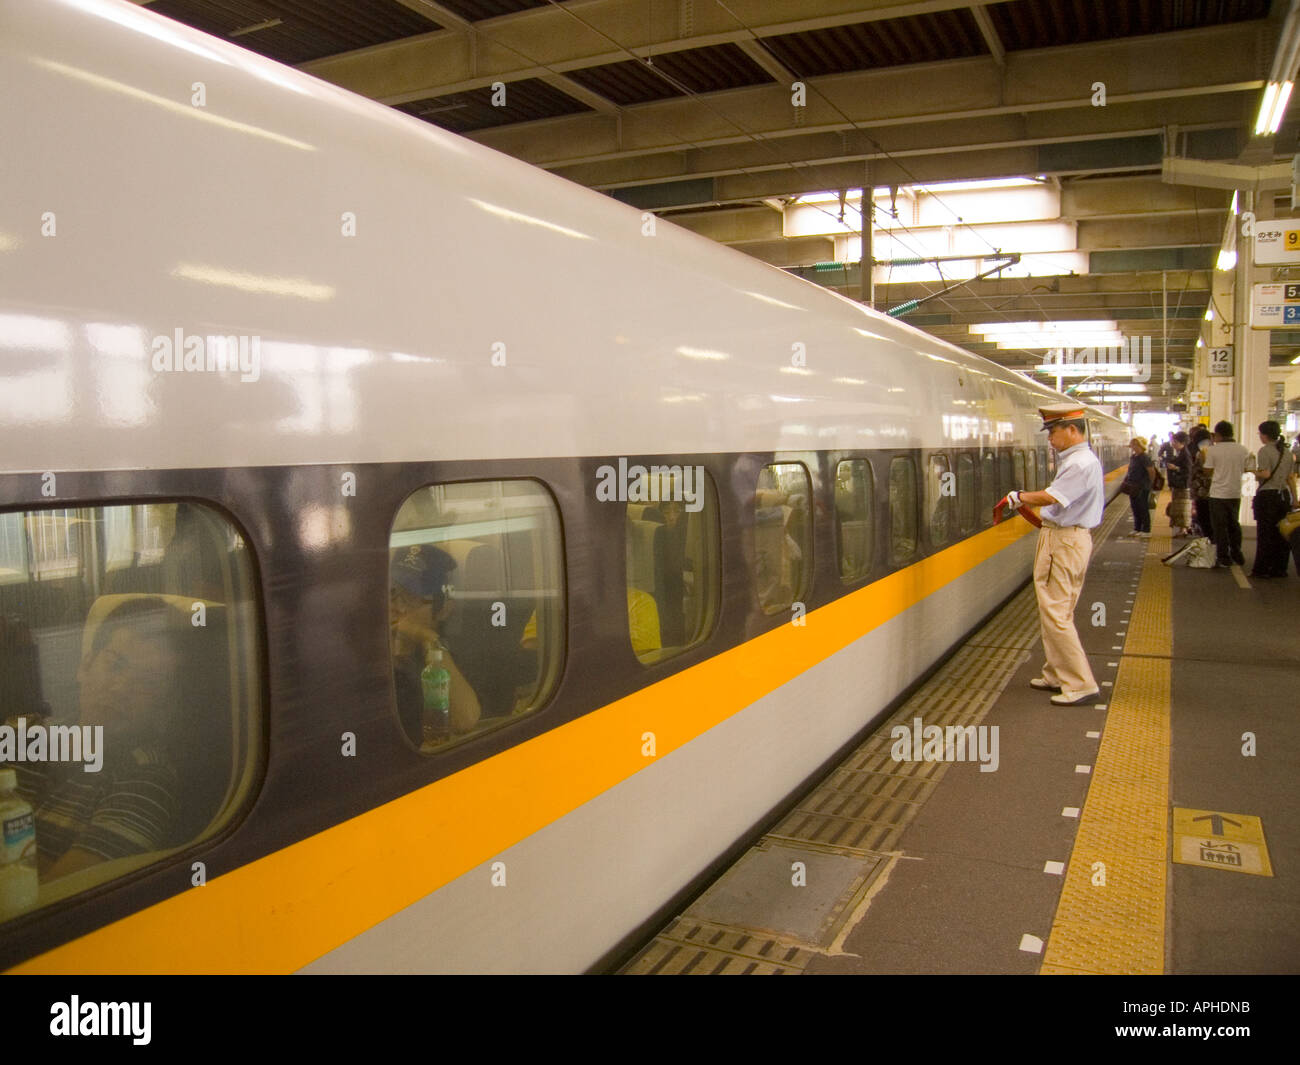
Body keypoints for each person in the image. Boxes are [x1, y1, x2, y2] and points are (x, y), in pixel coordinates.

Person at [6, 598, 190, 881]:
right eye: (115, 665)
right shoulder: (25, 730)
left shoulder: (146, 779)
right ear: (85, 666)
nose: (122, 687)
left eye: (148, 682)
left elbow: (63, 897)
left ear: (164, 705)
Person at [1002, 404, 1104, 706]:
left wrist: (1019, 497)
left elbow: (1052, 497)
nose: (1049, 438)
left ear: (1072, 430)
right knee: (1056, 611)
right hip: (1064, 538)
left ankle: (1080, 683)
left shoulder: (1080, 463)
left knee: (1057, 613)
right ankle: (1057, 673)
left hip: (1064, 541)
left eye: (1053, 431)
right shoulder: (1079, 460)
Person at [389, 543, 481, 746]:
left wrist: (428, 639)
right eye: (393, 593)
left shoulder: (452, 654)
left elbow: (464, 720)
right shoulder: (369, 642)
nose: (397, 606)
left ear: (444, 609)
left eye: (411, 598)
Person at [1250, 420, 1297, 578]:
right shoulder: (1288, 452)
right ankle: (1279, 568)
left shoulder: (1264, 451)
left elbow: (1266, 474)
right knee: (1282, 532)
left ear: (1265, 435)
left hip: (1268, 496)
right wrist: (1295, 499)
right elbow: (1291, 478)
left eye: (1260, 434)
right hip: (1283, 496)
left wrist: (1250, 471)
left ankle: (1262, 569)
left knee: (1265, 533)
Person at [1201, 420, 1250, 568]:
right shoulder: (1242, 449)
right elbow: (1247, 469)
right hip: (1235, 492)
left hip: (1217, 494)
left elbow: (1207, 471)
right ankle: (1236, 550)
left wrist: (1204, 459)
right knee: (1234, 523)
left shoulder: (1213, 450)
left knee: (1219, 526)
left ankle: (1223, 556)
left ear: (1219, 435)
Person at [1121, 436, 1156, 537]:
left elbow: (1151, 471)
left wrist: (1150, 484)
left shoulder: (1144, 457)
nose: (1132, 446)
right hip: (1133, 486)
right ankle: (1137, 528)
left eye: (1134, 444)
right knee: (1135, 507)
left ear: (1140, 445)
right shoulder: (1134, 457)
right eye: (1132, 444)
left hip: (1142, 487)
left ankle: (1146, 530)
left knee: (1143, 508)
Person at [1188, 425, 1213, 537]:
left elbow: (1206, 471)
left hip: (1203, 491)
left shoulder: (1203, 452)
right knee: (1207, 519)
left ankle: (1210, 543)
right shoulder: (1210, 451)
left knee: (1205, 519)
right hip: (1209, 491)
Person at [1166, 431, 1193, 536]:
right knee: (1179, 507)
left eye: (1175, 442)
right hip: (1180, 485)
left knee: (1182, 508)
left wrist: (1175, 468)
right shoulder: (1182, 453)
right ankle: (1183, 529)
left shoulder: (1185, 454)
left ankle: (1184, 529)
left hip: (1183, 485)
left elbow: (1188, 471)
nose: (1173, 443)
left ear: (1181, 442)